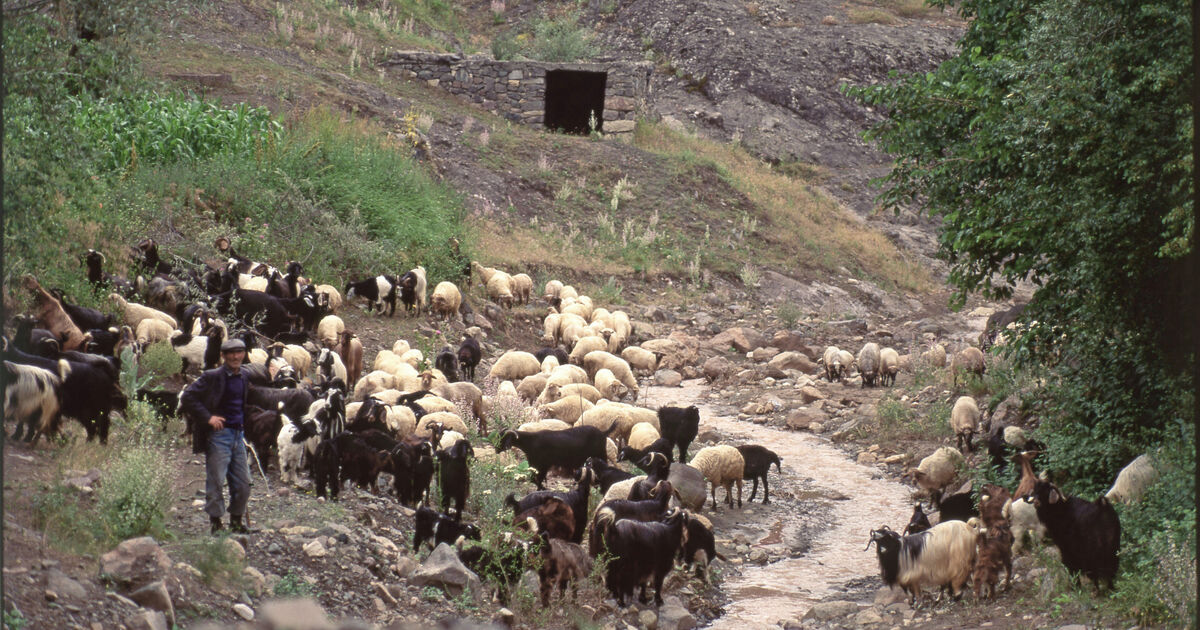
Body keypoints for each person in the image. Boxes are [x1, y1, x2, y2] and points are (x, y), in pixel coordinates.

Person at [180, 338, 252, 534]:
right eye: (231, 353)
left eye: (239, 352)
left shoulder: (244, 376)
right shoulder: (212, 376)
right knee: (216, 481)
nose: (236, 356)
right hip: (219, 436)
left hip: (238, 435)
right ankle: (216, 523)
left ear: (244, 354)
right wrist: (208, 418)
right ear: (223, 355)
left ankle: (236, 521)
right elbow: (188, 397)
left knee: (243, 483)